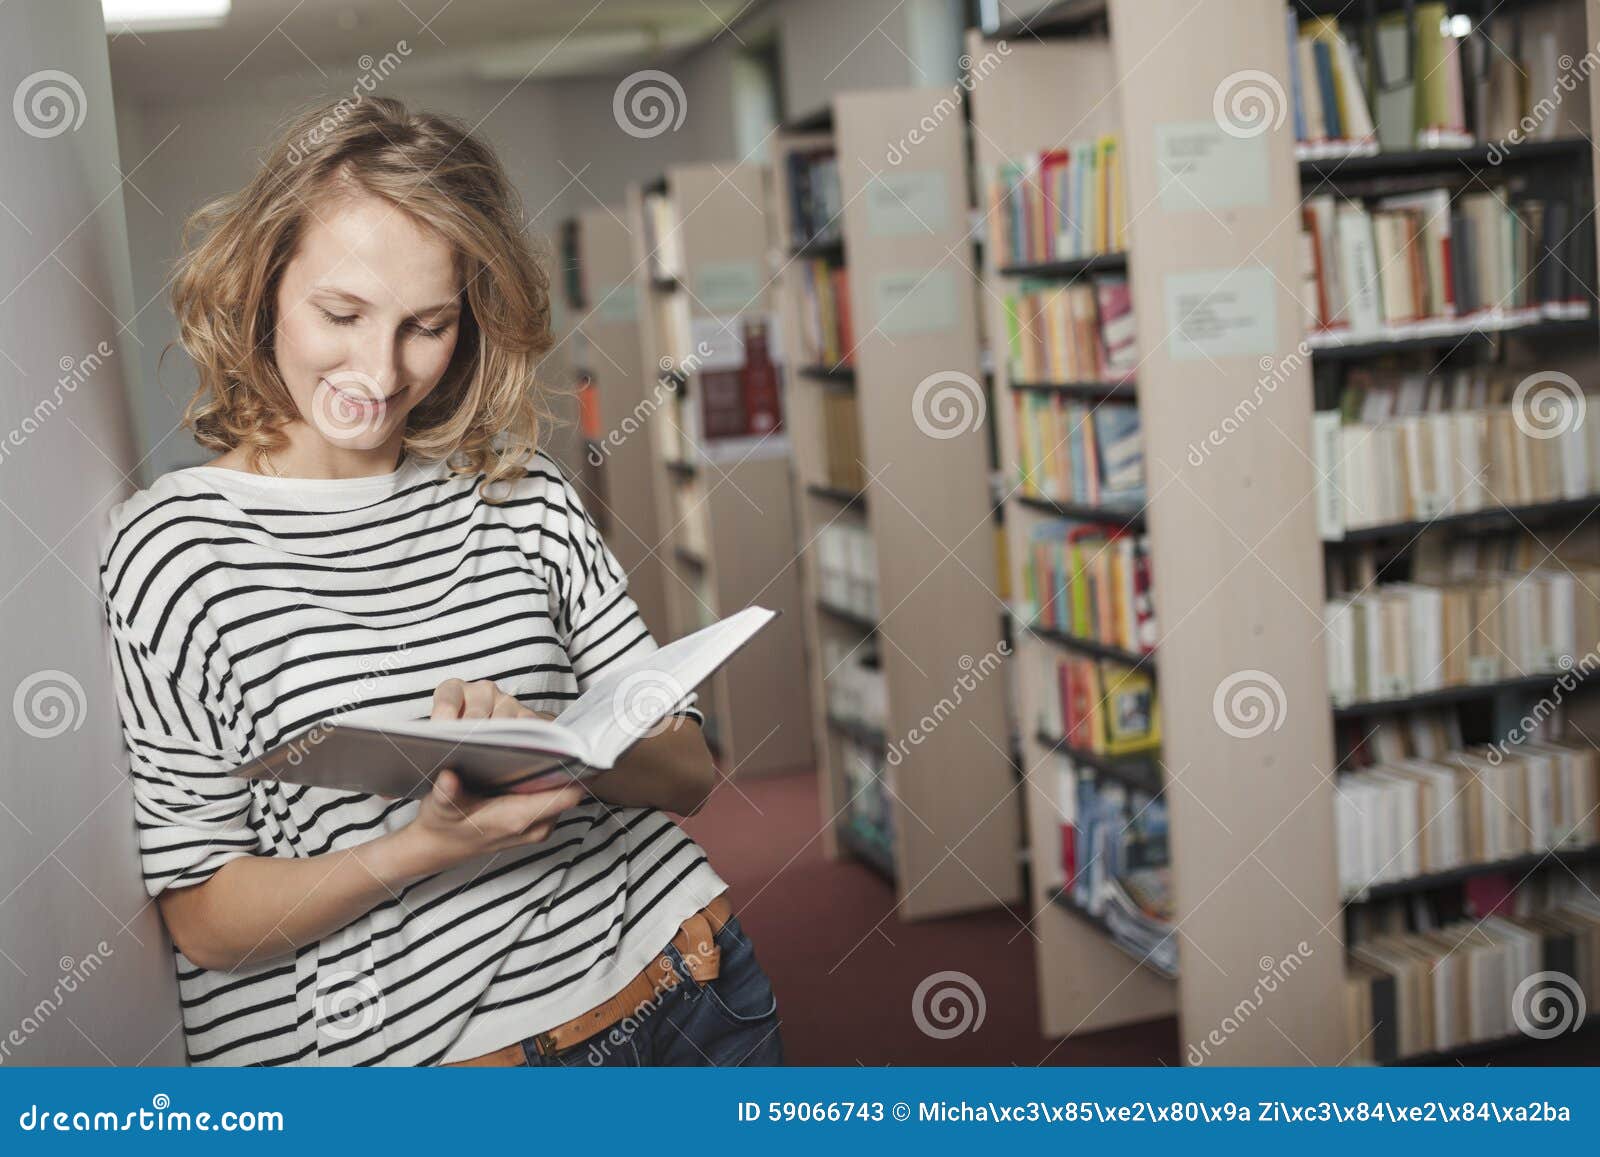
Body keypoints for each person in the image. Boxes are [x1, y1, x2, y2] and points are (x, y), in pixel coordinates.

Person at [98, 96, 783, 1067]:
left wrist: (553, 749)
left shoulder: (520, 491)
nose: (378, 373)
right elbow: (203, 916)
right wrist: (426, 843)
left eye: (427, 325)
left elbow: (686, 772)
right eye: (341, 313)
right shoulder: (174, 548)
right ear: (261, 287)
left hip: (686, 985)